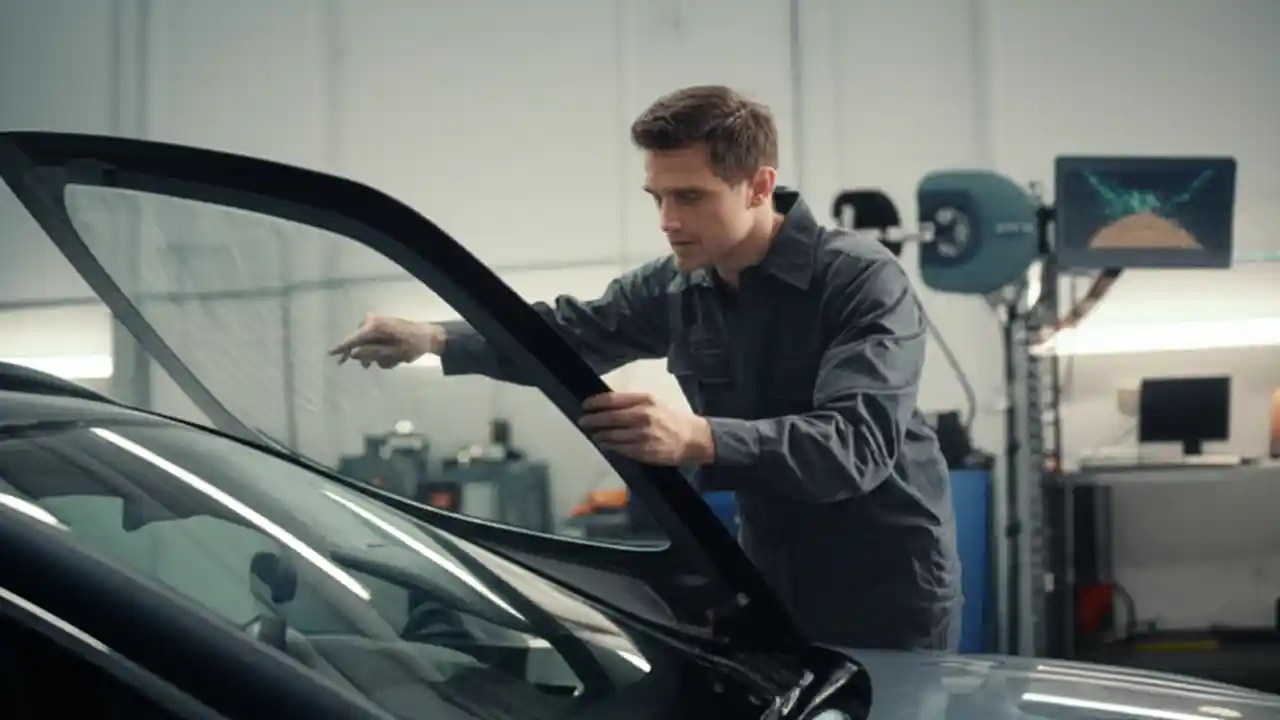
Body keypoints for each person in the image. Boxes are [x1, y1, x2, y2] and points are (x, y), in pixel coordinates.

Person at [329, 85, 963, 651]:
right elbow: (566, 334)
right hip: (769, 576)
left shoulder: (859, 278)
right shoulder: (675, 285)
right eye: (657, 196)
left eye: (690, 196)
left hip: (887, 584)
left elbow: (857, 445)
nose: (667, 221)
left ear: (760, 185)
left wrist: (695, 437)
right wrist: (437, 338)